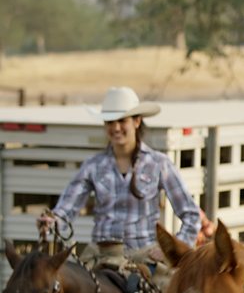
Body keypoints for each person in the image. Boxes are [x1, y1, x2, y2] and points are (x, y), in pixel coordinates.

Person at [37, 86, 200, 272]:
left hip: (144, 256)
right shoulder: (93, 165)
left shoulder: (159, 163)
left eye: (122, 121)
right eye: (109, 122)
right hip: (100, 255)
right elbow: (67, 208)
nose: (115, 128)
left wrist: (171, 251)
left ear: (137, 121)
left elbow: (191, 214)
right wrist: (52, 221)